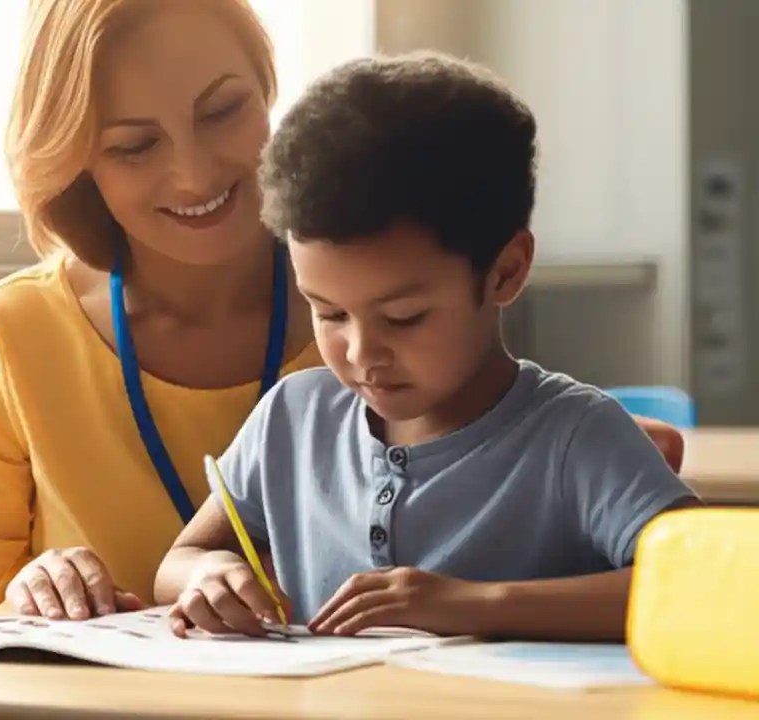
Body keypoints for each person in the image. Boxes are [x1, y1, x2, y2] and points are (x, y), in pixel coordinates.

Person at [0, 1, 686, 620]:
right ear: (78, 160)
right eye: (134, 145)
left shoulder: (372, 262)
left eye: (221, 111)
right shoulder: (17, 339)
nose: (192, 174)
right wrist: (30, 595)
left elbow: (689, 571)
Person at [153, 52, 701, 642]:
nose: (362, 353)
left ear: (505, 272)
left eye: (404, 317)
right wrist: (209, 573)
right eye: (329, 312)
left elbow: (711, 583)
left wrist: (474, 605)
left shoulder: (574, 437)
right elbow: (176, 565)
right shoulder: (292, 420)